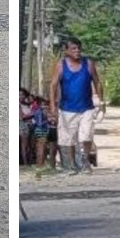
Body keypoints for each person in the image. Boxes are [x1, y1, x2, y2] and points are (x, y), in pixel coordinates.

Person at [48, 38, 104, 175]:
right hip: (67, 108)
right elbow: (53, 85)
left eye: (78, 48)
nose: (77, 51)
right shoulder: (61, 65)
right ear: (66, 51)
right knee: (69, 139)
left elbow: (97, 82)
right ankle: (71, 165)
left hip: (87, 107)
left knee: (86, 136)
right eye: (73, 48)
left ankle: (85, 162)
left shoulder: (88, 64)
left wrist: (102, 102)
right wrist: (53, 106)